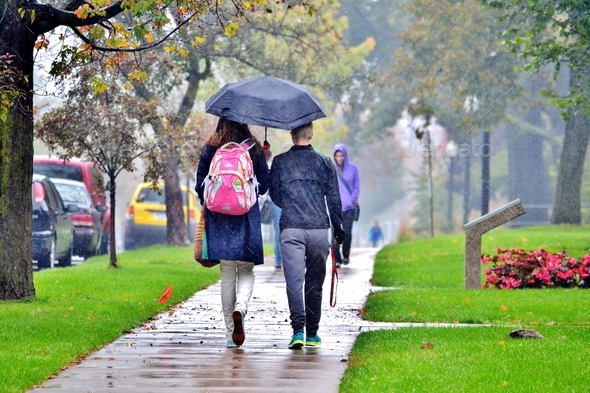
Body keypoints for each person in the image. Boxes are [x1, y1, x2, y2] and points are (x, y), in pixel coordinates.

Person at [195, 118, 270, 348]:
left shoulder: (212, 146)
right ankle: (242, 307)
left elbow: (200, 186)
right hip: (246, 215)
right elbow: (265, 186)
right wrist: (263, 160)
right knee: (246, 268)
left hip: (219, 219)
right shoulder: (253, 147)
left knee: (227, 272)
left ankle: (230, 334)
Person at [270, 122, 345, 349]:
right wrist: (338, 228)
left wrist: (291, 204)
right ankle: (312, 334)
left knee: (294, 281)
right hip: (318, 230)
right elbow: (333, 198)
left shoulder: (280, 162)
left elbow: (274, 194)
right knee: (314, 282)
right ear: (311, 134)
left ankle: (298, 332)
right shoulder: (324, 162)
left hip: (291, 227)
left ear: (292, 135)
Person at [332, 143, 360, 267]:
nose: (339, 158)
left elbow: (356, 186)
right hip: (335, 207)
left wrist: (352, 200)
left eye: (341, 155)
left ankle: (346, 255)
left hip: (349, 207)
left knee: (347, 233)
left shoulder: (353, 169)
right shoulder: (332, 169)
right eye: (337, 156)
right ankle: (336, 259)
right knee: (335, 233)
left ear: (345, 156)